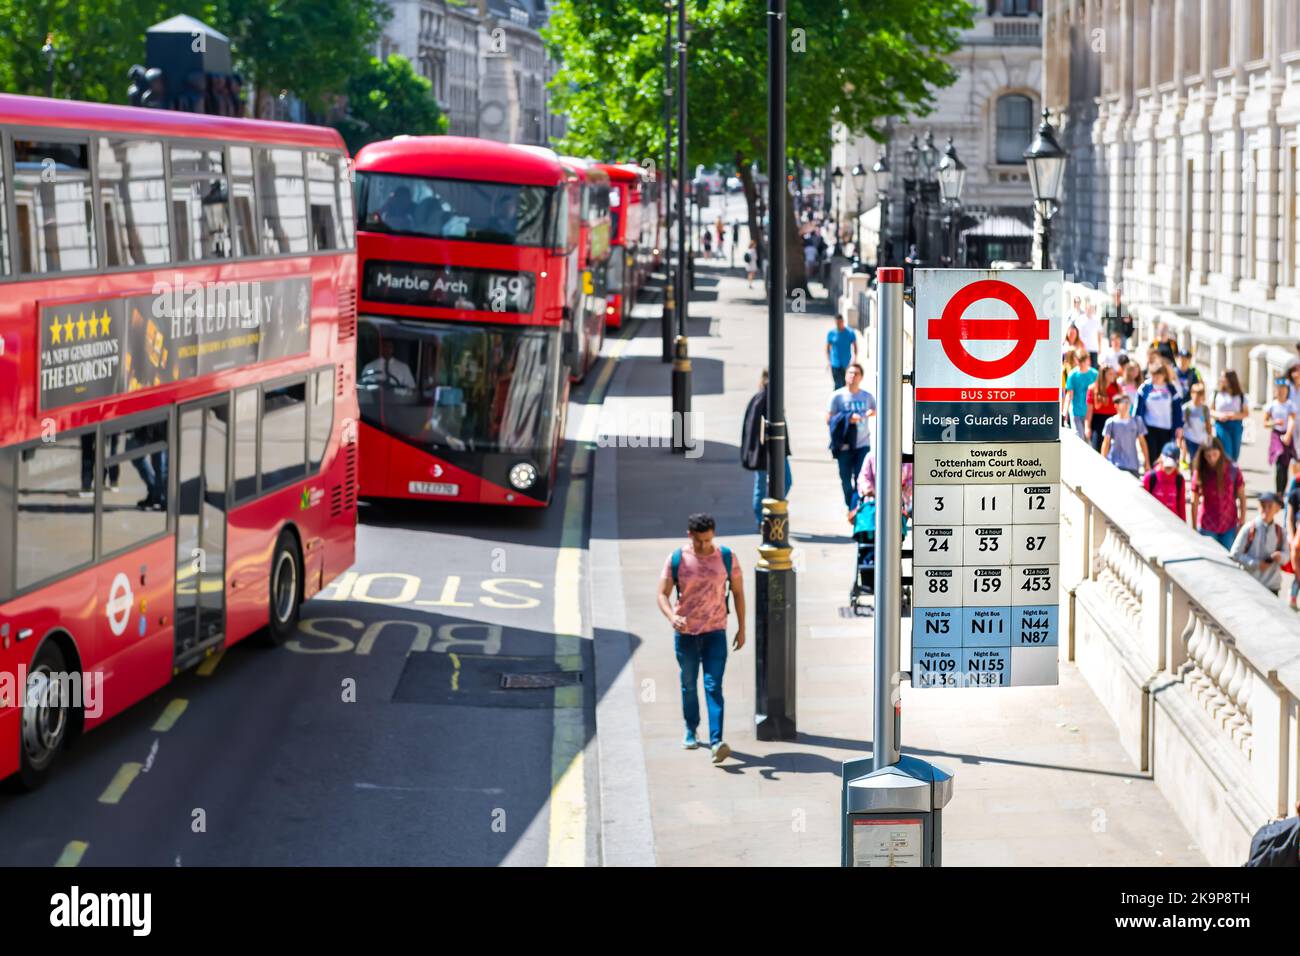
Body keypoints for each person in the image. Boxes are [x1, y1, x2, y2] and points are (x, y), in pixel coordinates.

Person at [656, 513, 745, 763]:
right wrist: (671, 616)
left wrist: (742, 627)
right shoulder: (677, 559)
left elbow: (738, 593)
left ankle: (717, 741)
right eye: (699, 541)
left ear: (714, 534)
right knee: (688, 683)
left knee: (713, 685)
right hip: (685, 634)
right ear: (690, 536)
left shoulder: (727, 557)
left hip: (716, 631)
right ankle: (690, 727)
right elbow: (662, 594)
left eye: (708, 540)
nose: (704, 546)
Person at [740, 369, 792, 529]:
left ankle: (769, 510)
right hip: (765, 452)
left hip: (777, 450)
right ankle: (762, 520)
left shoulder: (771, 398)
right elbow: (753, 429)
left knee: (785, 481)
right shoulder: (762, 399)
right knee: (762, 484)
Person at [827, 363, 876, 512]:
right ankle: (851, 505)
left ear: (861, 377)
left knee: (860, 479)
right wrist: (848, 418)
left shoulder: (867, 396)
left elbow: (874, 410)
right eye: (850, 373)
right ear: (845, 375)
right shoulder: (837, 396)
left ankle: (857, 508)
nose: (852, 376)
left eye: (856, 374)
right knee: (846, 480)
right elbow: (829, 419)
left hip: (862, 444)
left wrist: (868, 414)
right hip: (844, 446)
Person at [1190, 436, 1246, 549]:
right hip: (1207, 524)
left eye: (1214, 455)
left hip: (1229, 522)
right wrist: (1194, 527)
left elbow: (1242, 497)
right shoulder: (1200, 471)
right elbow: (1194, 500)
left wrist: (1242, 521)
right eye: (1208, 456)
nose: (1212, 459)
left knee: (1228, 558)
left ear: (1220, 452)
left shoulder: (1232, 469)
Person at [1230, 492, 1287, 595]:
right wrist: (1256, 564)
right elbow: (1234, 555)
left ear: (1277, 509)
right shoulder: (1249, 528)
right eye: (1262, 506)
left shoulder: (1280, 532)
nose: (1266, 510)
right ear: (1258, 507)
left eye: (1270, 506)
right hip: (1250, 585)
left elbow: (1287, 555)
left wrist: (1281, 557)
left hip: (1272, 586)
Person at [1135, 363, 1183, 458]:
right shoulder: (1145, 387)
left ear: (1164, 375)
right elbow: (1138, 409)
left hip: (1166, 429)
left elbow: (1177, 409)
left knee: (1164, 457)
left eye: (1158, 375)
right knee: (1152, 456)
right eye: (1153, 375)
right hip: (1149, 428)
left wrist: (1179, 426)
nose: (1155, 378)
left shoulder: (1171, 388)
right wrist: (1138, 425)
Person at [1100, 393, 1149, 477]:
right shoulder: (1111, 422)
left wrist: (1147, 463)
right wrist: (1102, 462)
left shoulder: (1137, 421)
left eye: (1128, 402)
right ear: (1116, 405)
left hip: (1133, 466)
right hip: (1115, 464)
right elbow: (1106, 443)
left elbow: (1142, 442)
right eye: (1123, 402)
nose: (1127, 404)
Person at [1264, 377, 1296, 495]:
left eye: (1283, 389)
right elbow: (1265, 422)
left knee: (1285, 465)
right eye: (1279, 389)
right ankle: (1278, 491)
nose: (1281, 391)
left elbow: (1292, 420)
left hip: (1286, 434)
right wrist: (1274, 422)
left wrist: (1288, 434)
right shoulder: (1272, 405)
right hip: (1276, 435)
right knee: (1279, 460)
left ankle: (1282, 491)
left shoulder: (1289, 405)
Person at [1211, 369, 1248, 461]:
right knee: (1227, 452)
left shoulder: (1240, 395)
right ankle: (1226, 472)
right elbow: (1210, 410)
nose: (1221, 379)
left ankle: (1232, 472)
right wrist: (1220, 415)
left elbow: (1246, 413)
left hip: (1236, 425)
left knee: (1235, 454)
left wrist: (1234, 415)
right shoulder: (1216, 393)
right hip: (1221, 425)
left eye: (1223, 377)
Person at [1143, 442, 1186, 520]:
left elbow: (1181, 506)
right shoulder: (1150, 477)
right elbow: (1144, 503)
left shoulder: (1179, 479)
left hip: (1174, 523)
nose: (1168, 468)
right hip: (1154, 522)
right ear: (1161, 458)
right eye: (1167, 464)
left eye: (1171, 465)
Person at [1062, 349, 1098, 439]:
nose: (1082, 364)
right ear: (1076, 360)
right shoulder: (1072, 375)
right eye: (1080, 361)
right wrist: (1064, 413)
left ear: (1088, 360)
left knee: (1090, 441)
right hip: (1076, 412)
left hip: (1091, 412)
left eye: (1084, 361)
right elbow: (1069, 395)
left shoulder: (1094, 374)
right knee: (1079, 438)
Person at [1085, 364, 1120, 453]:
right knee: (1097, 449)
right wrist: (1087, 427)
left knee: (1111, 451)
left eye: (1113, 373)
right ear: (1103, 375)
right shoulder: (1092, 389)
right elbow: (1089, 411)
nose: (1113, 376)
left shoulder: (1117, 388)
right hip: (1097, 422)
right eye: (1110, 374)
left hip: (1113, 421)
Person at [1181, 381, 1210, 465]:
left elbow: (1208, 424)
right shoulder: (1186, 408)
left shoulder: (1205, 409)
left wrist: (1209, 437)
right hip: (1190, 438)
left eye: (1200, 394)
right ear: (1191, 394)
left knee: (1202, 461)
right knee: (1193, 459)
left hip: (1202, 439)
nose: (1197, 397)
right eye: (1195, 393)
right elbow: (1182, 425)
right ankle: (1193, 475)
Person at [826, 314, 857, 389]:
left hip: (846, 363)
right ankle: (836, 399)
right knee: (837, 384)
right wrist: (829, 361)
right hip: (835, 363)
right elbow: (828, 347)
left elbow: (855, 346)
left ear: (843, 321)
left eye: (840, 322)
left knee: (845, 384)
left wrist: (855, 359)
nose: (838, 325)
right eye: (837, 323)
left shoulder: (850, 333)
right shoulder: (831, 333)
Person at [1285, 459, 1300, 611]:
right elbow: (1289, 517)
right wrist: (1290, 535)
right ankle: (1293, 597)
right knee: (1298, 573)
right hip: (1297, 540)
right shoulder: (1295, 493)